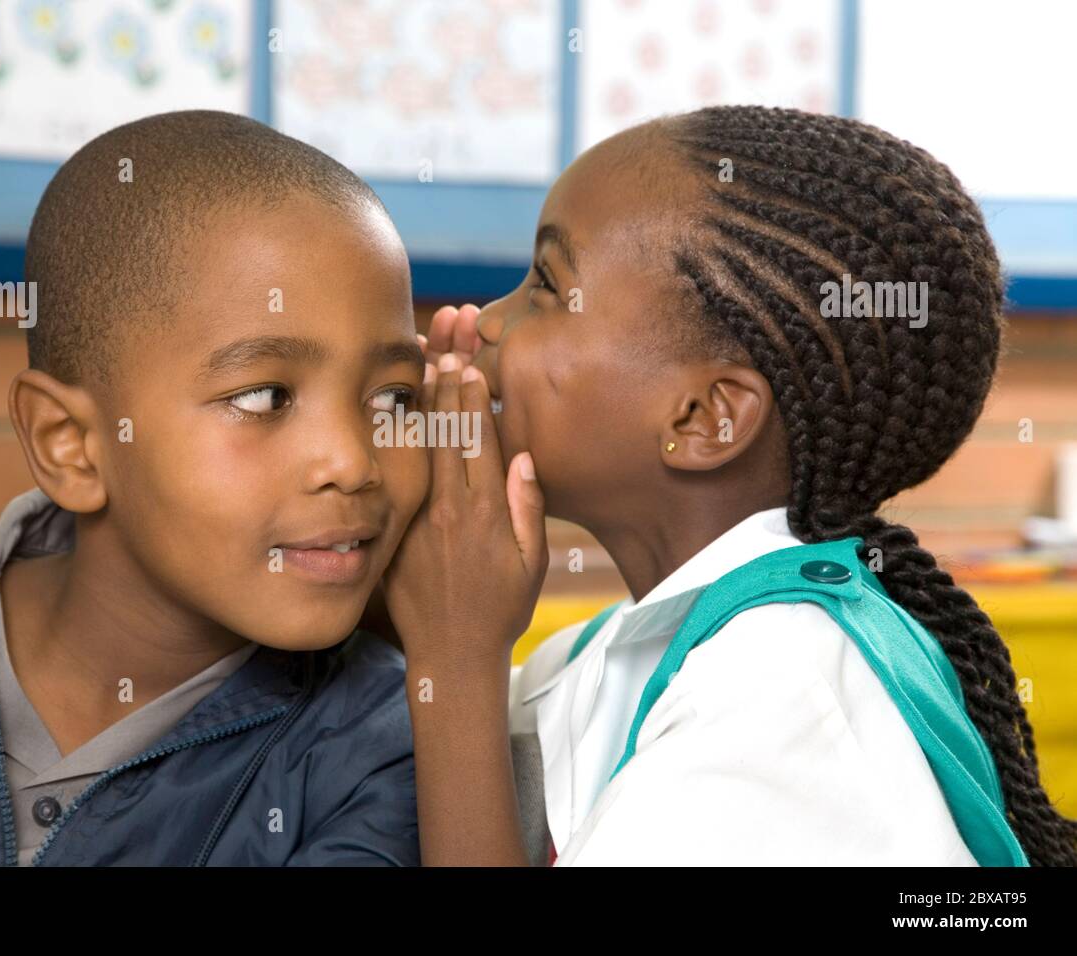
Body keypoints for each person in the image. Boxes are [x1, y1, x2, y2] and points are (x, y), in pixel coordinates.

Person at [386, 106, 1076, 866]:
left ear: (705, 417)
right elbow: (428, 767)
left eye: (546, 286)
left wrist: (455, 659)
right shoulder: (633, 646)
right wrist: (407, 527)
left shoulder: (783, 696)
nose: (481, 323)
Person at [0, 111, 427, 866]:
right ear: (72, 445)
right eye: (263, 398)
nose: (353, 462)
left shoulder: (377, 751)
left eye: (392, 402)